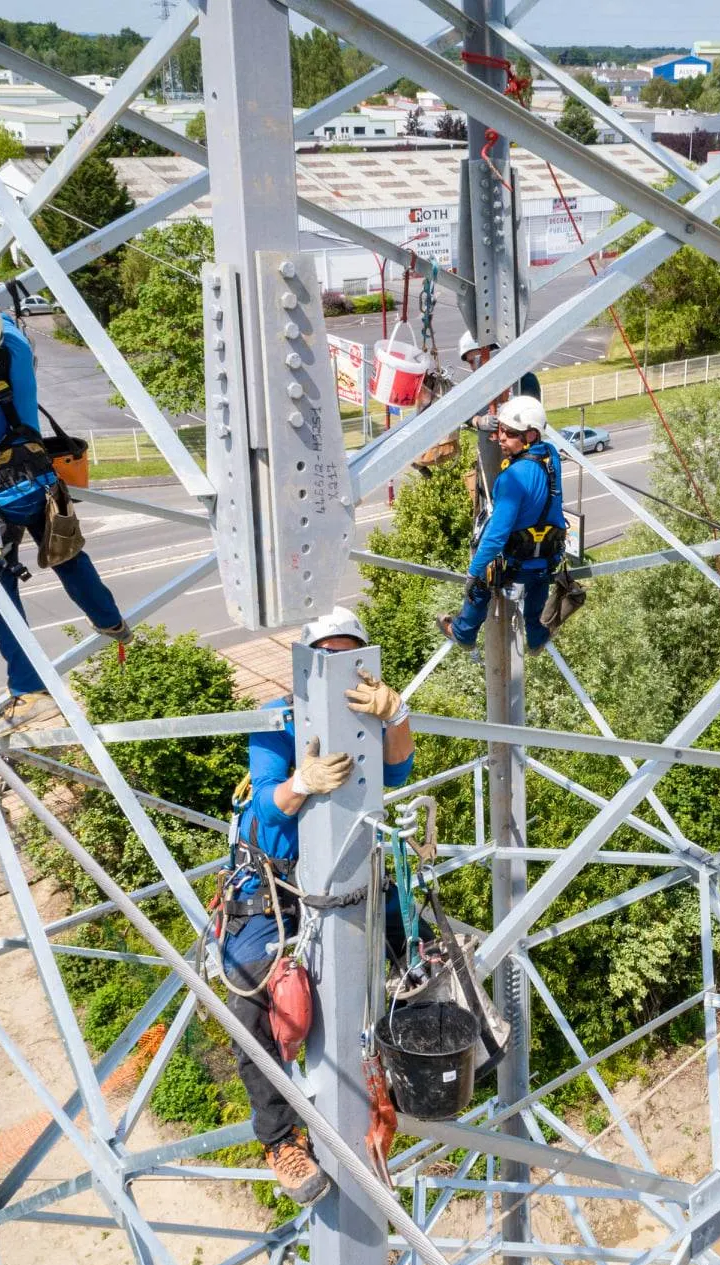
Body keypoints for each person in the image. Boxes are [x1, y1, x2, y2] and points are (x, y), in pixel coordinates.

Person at [218, 608, 414, 1206]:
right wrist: (300, 783)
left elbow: (398, 765)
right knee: (250, 1002)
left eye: (348, 653)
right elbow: (269, 816)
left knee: (418, 962)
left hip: (352, 874)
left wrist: (396, 714)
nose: (338, 666)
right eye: (326, 654)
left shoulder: (368, 708)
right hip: (276, 889)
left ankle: (411, 1073)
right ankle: (280, 1137)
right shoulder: (277, 721)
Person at [0, 289, 130, 735]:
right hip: (41, 484)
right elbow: (1, 319)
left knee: (4, 595)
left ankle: (31, 690)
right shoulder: (15, 346)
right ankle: (111, 621)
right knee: (71, 559)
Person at [438, 394, 567, 656]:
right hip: (548, 557)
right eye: (500, 430)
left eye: (509, 433)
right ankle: (536, 637)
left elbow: (496, 536)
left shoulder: (512, 479)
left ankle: (464, 632)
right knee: (537, 581)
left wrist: (473, 573)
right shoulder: (551, 457)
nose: (501, 437)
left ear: (530, 436)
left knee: (484, 578)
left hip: (518, 563)